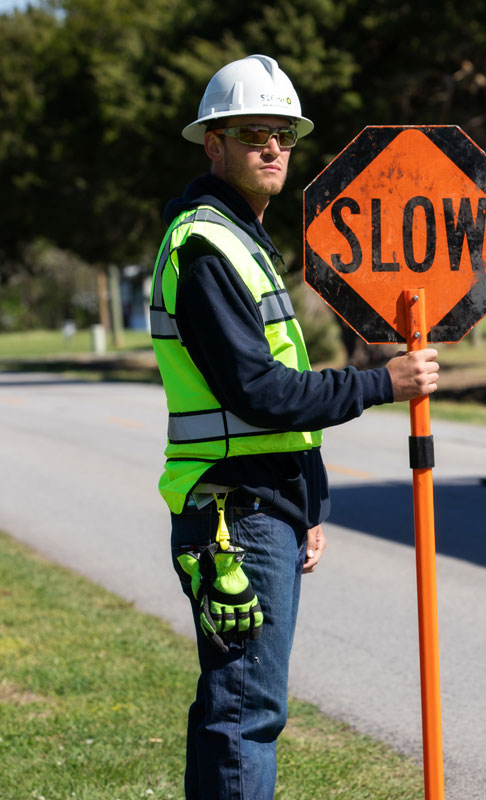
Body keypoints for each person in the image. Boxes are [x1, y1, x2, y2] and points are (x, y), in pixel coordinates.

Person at [149, 54, 440, 800]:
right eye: (254, 134)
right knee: (245, 712)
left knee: (242, 706)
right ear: (212, 144)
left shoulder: (239, 239)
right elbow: (261, 392)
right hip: (234, 512)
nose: (273, 148)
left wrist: (308, 501)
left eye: (283, 134)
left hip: (259, 505)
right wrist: (384, 382)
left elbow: (270, 410)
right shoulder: (207, 245)